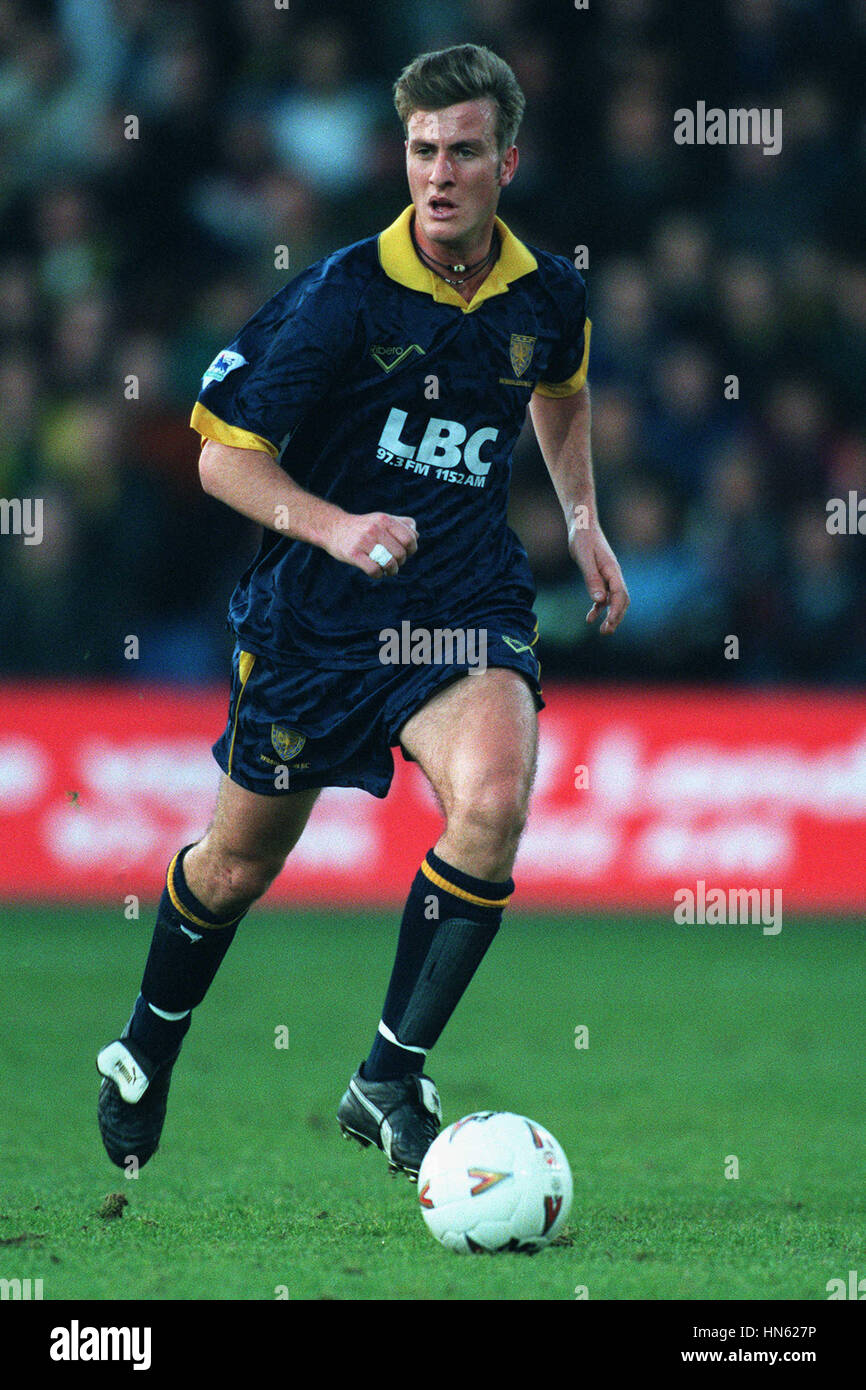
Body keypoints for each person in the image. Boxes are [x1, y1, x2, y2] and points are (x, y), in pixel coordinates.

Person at [96, 43, 629, 1181]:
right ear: (403, 156)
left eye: (463, 151)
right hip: (313, 622)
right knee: (238, 865)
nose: (439, 175)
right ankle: (147, 1045)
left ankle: (386, 1073)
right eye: (422, 151)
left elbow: (562, 386)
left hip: (462, 602)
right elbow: (219, 459)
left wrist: (580, 518)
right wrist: (336, 527)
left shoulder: (548, 293)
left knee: (490, 801)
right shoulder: (342, 294)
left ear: (506, 160)